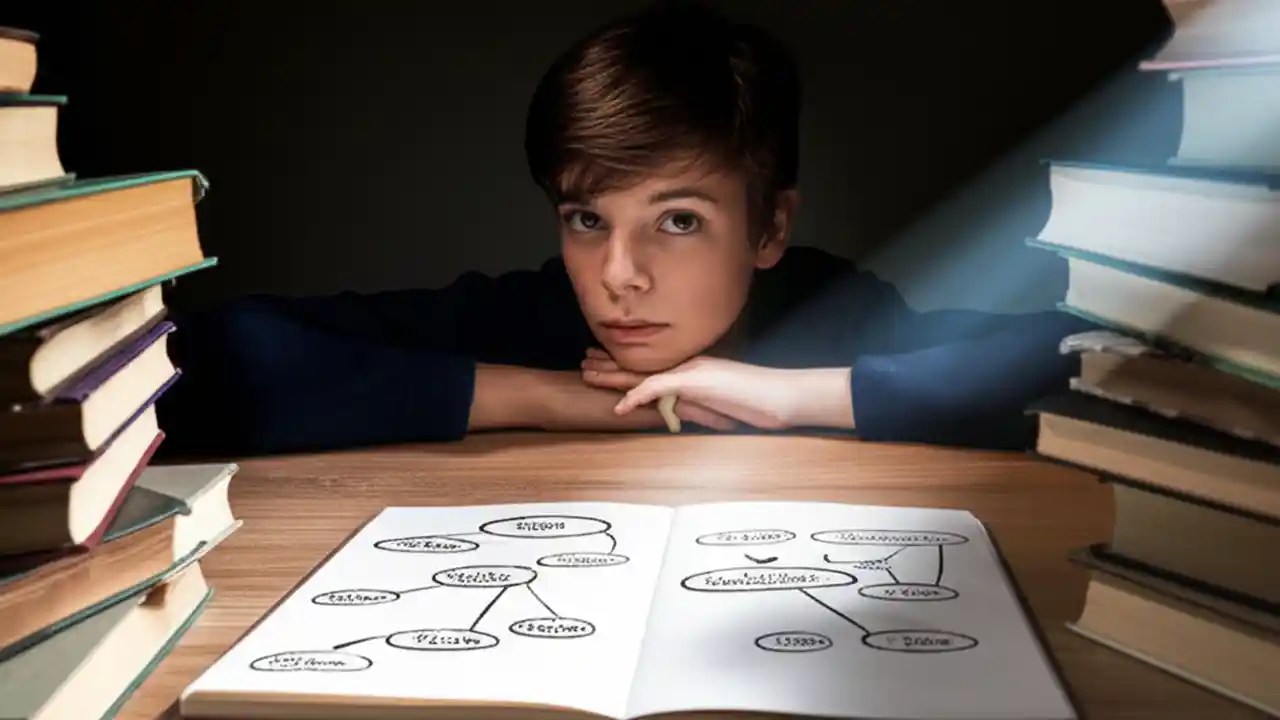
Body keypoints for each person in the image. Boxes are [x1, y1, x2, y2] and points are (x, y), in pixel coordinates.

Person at [156, 1, 1094, 457]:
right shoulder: (526, 320)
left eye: (677, 220)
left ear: (768, 228)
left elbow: (1087, 363)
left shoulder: (833, 310)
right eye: (585, 219)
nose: (618, 275)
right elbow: (195, 365)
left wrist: (795, 396)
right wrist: (546, 396)